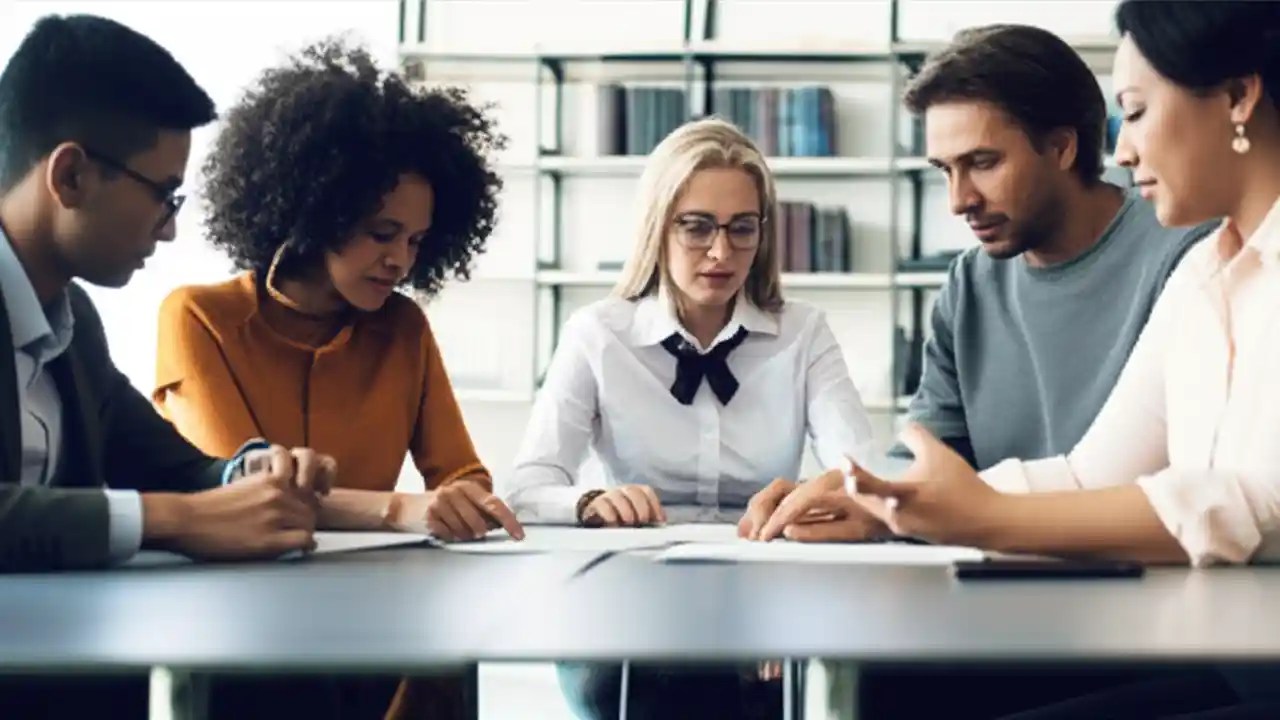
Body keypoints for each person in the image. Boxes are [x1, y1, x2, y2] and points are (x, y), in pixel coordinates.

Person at [767, 1, 1280, 716]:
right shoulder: (1208, 276)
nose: (1124, 153)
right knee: (887, 691)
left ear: (1238, 96)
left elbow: (1247, 504)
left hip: (1225, 650)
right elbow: (1089, 473)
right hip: (1229, 656)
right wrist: (887, 504)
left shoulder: (1187, 257)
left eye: (1135, 113)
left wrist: (979, 518)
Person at [150, 39, 521, 719]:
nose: (401, 260)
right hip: (242, 625)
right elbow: (246, 496)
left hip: (378, 620)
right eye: (383, 233)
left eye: (415, 241)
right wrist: (400, 509)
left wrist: (464, 501)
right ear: (319, 209)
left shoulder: (403, 328)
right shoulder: (199, 317)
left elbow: (462, 473)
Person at [0, 13, 332, 717]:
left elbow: (167, 463)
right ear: (70, 175)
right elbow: (172, 505)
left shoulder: (72, 321)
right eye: (163, 194)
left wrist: (250, 475)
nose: (172, 227)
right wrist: (177, 519)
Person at [497, 117, 875, 719]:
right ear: (658, 225)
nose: (721, 253)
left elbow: (863, 476)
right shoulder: (597, 334)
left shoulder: (803, 333)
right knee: (631, 682)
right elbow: (525, 488)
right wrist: (590, 502)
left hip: (763, 587)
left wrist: (810, 497)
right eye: (697, 227)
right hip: (631, 592)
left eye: (742, 228)